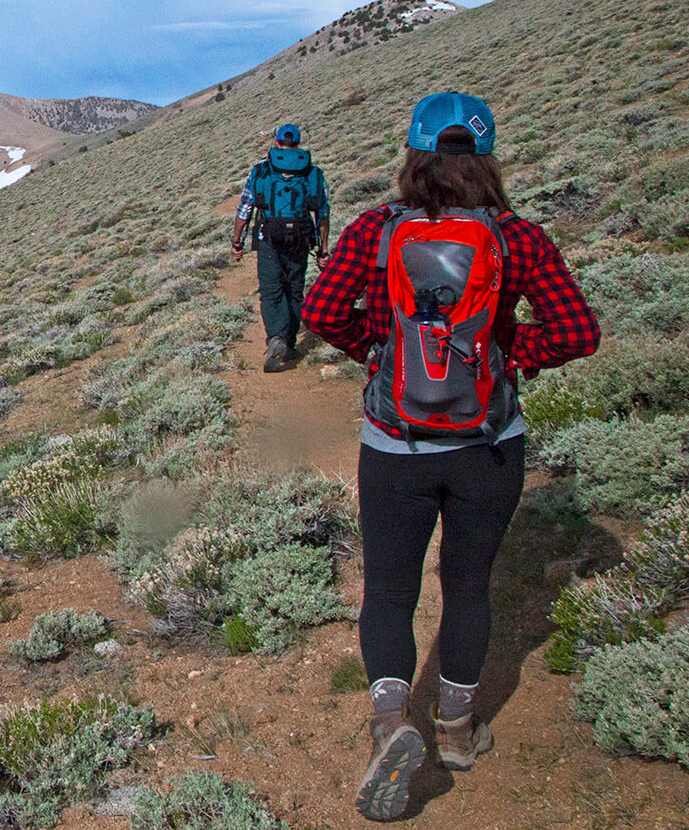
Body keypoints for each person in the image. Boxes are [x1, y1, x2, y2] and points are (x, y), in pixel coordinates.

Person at [300, 93, 599, 822]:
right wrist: (505, 355)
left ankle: (390, 720)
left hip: (395, 443)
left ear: (414, 154)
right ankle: (459, 731)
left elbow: (319, 313)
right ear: (486, 158)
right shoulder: (516, 236)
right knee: (468, 585)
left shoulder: (376, 229)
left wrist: (379, 353)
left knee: (391, 590)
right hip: (487, 447)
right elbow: (576, 331)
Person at [232, 123, 330, 372]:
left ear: (276, 143)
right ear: (298, 144)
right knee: (294, 288)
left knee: (271, 290)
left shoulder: (261, 170)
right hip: (300, 237)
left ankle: (276, 338)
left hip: (268, 237)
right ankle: (290, 340)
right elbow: (322, 213)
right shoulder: (312, 173)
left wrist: (237, 241)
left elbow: (245, 209)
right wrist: (322, 250)